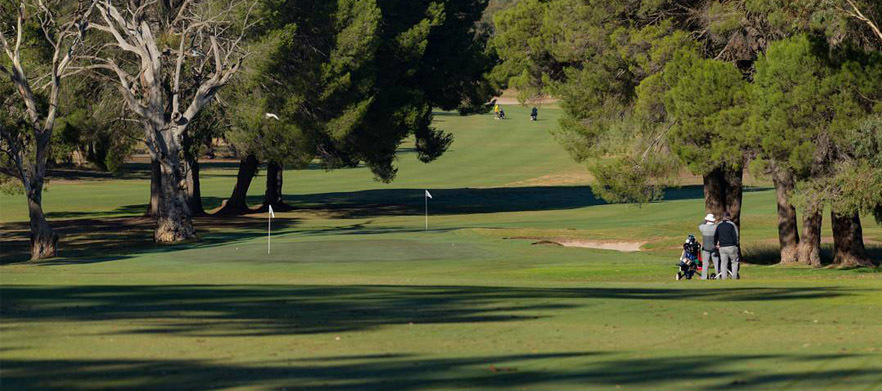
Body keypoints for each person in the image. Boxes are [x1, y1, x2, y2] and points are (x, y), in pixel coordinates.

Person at [714, 212, 740, 279]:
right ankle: (734, 277)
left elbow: (715, 236)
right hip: (731, 246)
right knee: (734, 262)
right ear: (728, 217)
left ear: (723, 217)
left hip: (722, 247)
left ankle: (724, 278)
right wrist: (736, 244)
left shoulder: (719, 225)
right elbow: (736, 235)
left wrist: (715, 244)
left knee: (723, 263)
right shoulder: (732, 225)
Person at [698, 213, 720, 280]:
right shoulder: (716, 227)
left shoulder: (703, 227)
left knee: (705, 264)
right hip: (714, 248)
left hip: (706, 248)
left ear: (707, 220)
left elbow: (700, 225)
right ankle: (718, 276)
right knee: (716, 263)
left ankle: (704, 277)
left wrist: (705, 220)